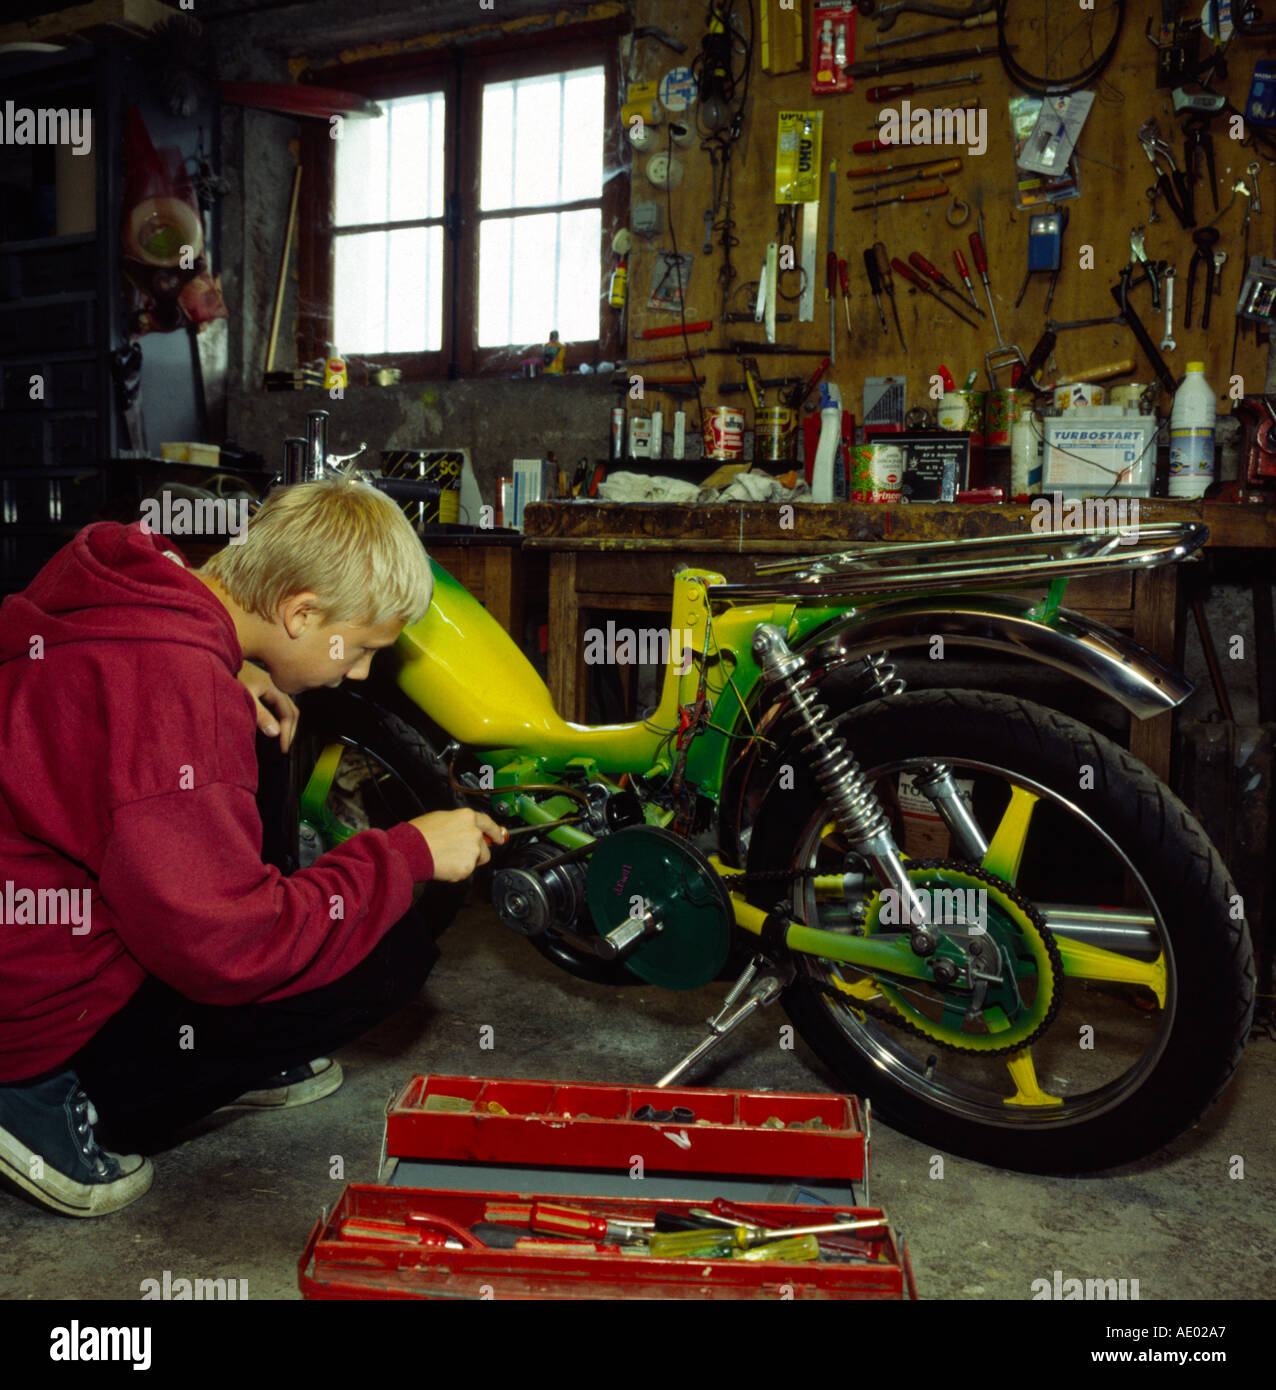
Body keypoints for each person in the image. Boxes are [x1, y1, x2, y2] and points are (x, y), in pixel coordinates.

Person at [0, 478, 503, 1216]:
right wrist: (406, 855)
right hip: (29, 1013)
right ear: (300, 613)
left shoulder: (143, 580)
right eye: (360, 648)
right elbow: (229, 946)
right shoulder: (179, 691)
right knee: (387, 949)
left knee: (269, 723)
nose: (359, 672)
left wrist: (228, 667)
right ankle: (29, 1095)